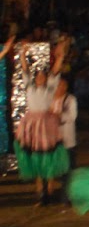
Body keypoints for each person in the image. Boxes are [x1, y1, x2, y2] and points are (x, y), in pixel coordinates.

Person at [15, 39, 70, 204]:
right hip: (32, 125)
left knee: (48, 154)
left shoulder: (50, 88)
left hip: (45, 124)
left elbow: (55, 71)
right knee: (35, 156)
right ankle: (40, 191)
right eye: (38, 76)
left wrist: (60, 57)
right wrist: (22, 54)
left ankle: (49, 188)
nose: (40, 78)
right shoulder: (30, 87)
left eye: (42, 76)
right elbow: (24, 70)